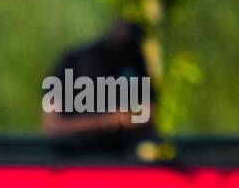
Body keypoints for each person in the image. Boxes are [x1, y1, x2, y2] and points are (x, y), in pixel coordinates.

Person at [43, 20, 158, 152]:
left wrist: (129, 119)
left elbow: (151, 114)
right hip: (72, 159)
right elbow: (53, 126)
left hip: (120, 161)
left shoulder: (134, 61)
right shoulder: (75, 61)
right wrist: (107, 122)